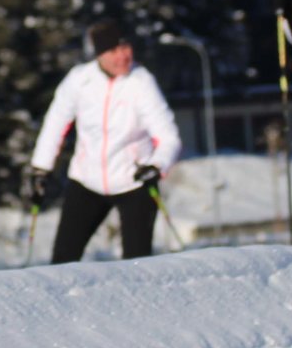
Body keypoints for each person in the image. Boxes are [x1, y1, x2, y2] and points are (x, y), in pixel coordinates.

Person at [27, 20, 184, 264]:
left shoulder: (141, 83)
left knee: (138, 264)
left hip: (134, 182)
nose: (123, 56)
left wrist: (156, 166)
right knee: (63, 260)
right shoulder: (80, 80)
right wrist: (41, 167)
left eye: (126, 48)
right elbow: (55, 123)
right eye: (114, 51)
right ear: (100, 54)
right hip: (86, 181)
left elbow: (168, 136)